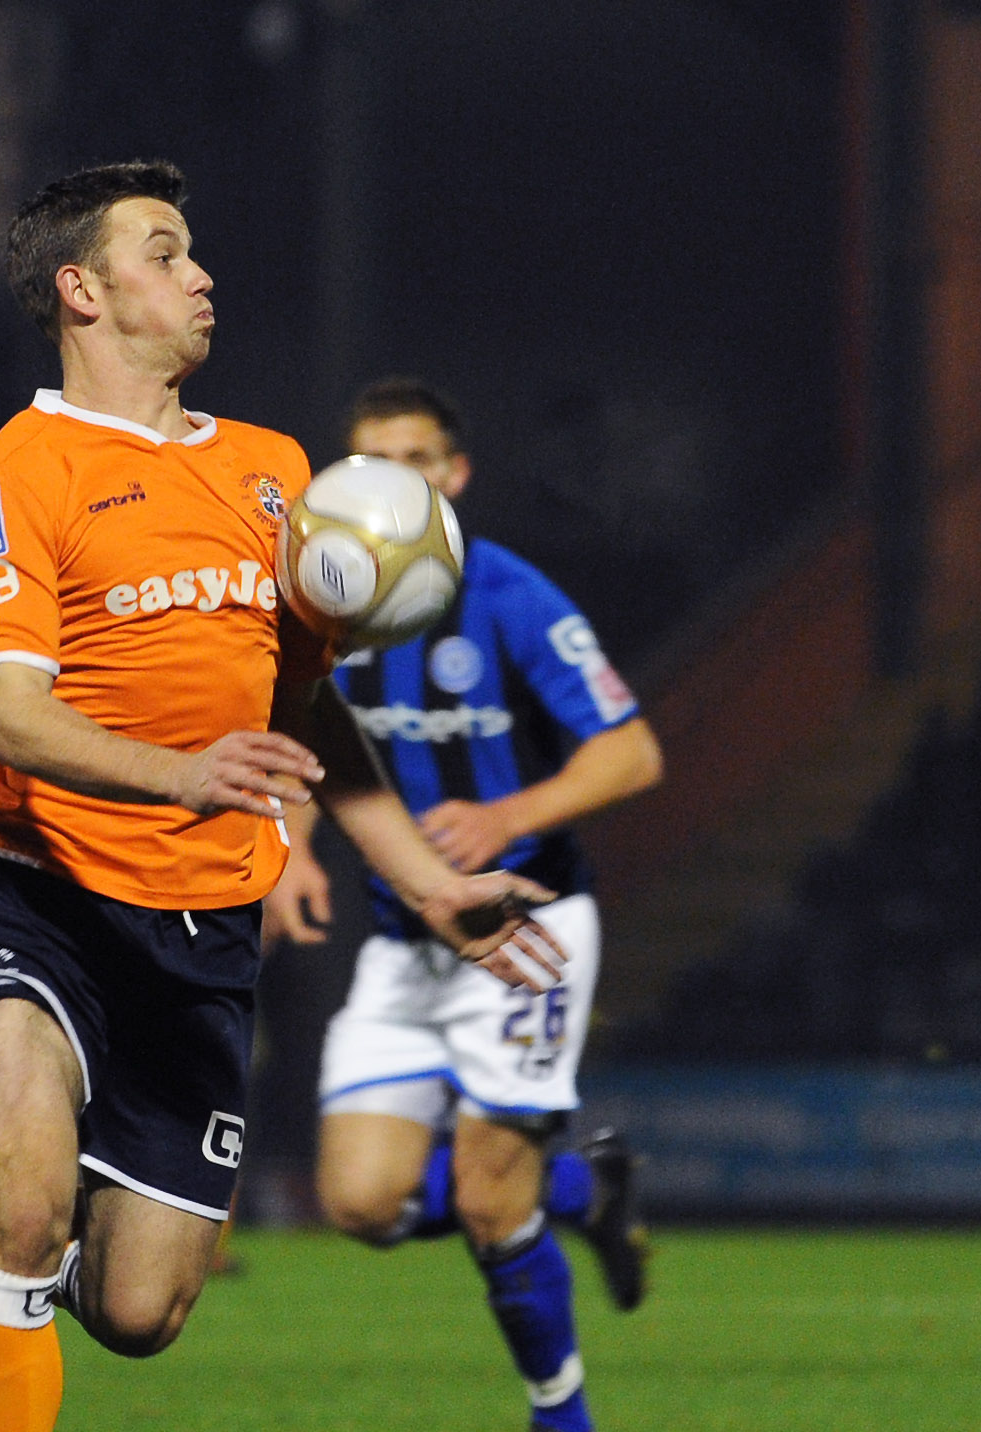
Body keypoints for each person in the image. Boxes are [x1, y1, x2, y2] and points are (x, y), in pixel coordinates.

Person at [0, 163, 568, 1432]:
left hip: (198, 937)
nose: (203, 277)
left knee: (139, 1313)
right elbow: (11, 713)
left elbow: (311, 721)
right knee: (30, 1214)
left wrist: (430, 880)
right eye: (168, 252)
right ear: (84, 290)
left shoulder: (276, 474)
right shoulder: (19, 473)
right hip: (35, 897)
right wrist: (188, 772)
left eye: (195, 254)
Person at [262, 378, 664, 1432]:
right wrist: (294, 850)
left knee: (489, 1195)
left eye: (417, 460)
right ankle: (581, 1191)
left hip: (524, 928)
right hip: (402, 944)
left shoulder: (511, 593)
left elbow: (633, 751)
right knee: (357, 1203)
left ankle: (560, 1414)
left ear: (455, 475)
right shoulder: (329, 601)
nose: (396, 479)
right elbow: (309, 742)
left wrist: (506, 815)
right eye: (372, 463)